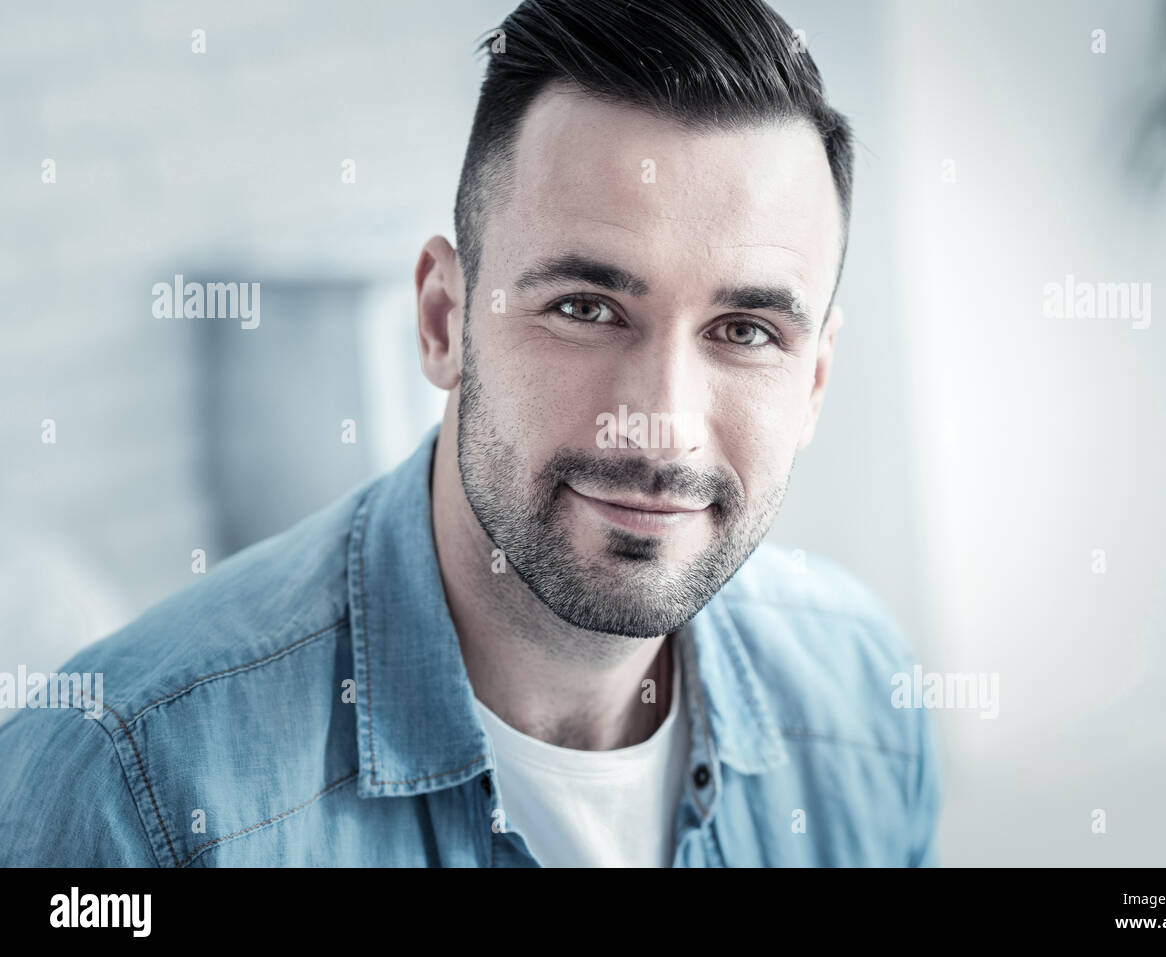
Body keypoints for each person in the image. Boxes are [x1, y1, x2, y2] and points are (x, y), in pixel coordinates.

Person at [0, 0, 941, 867]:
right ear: (445, 320)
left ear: (813, 381)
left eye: (745, 332)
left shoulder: (861, 692)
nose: (661, 426)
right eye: (585, 306)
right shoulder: (126, 789)